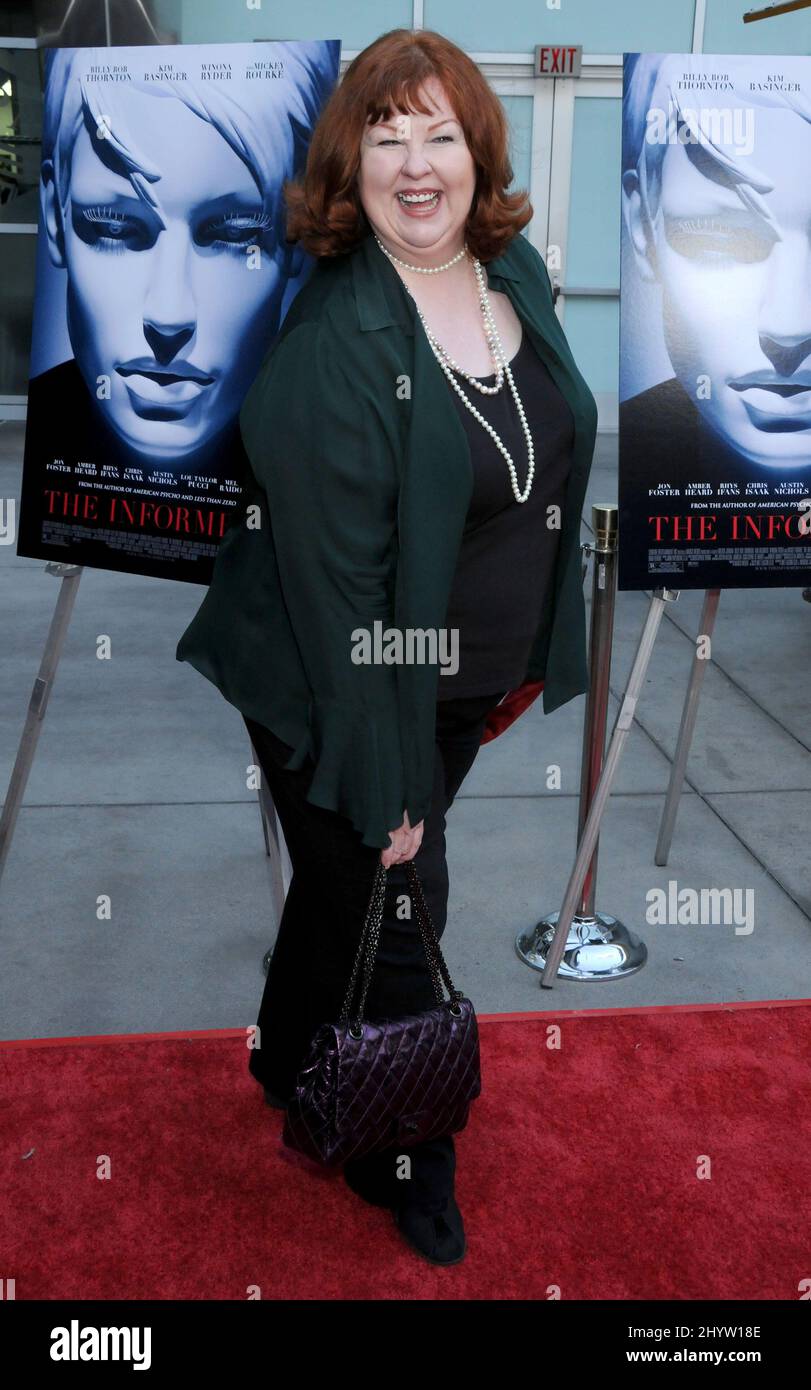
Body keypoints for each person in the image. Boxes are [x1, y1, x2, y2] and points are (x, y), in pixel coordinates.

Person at [176, 28, 598, 1265]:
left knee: (345, 890)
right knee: (405, 896)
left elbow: (544, 458)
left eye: (440, 135)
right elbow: (348, 604)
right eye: (385, 138)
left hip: (459, 682)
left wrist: (518, 651)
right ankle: (407, 1149)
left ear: (479, 150)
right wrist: (393, 779)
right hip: (332, 675)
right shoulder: (337, 349)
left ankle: (282, 1039)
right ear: (347, 167)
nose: (417, 166)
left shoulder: (509, 273)